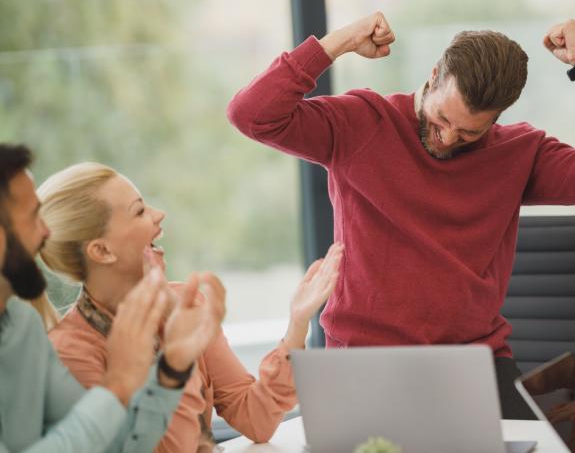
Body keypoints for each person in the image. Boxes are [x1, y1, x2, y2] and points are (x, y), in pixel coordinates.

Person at [226, 13, 575, 418]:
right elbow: (252, 114)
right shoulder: (361, 123)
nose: (446, 138)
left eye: (468, 132)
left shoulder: (517, 154)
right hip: (364, 365)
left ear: (496, 119)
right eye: (442, 118)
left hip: (474, 366)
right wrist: (341, 42)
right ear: (433, 75)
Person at [34, 162, 344, 453]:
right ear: (101, 250)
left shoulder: (187, 302)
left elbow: (255, 418)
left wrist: (298, 323)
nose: (159, 214)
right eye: (139, 211)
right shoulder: (69, 355)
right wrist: (176, 358)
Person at [0, 144, 224, 453]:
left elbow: (112, 445)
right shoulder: (69, 347)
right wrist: (118, 384)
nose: (45, 235)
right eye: (33, 217)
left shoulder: (21, 327)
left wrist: (172, 368)